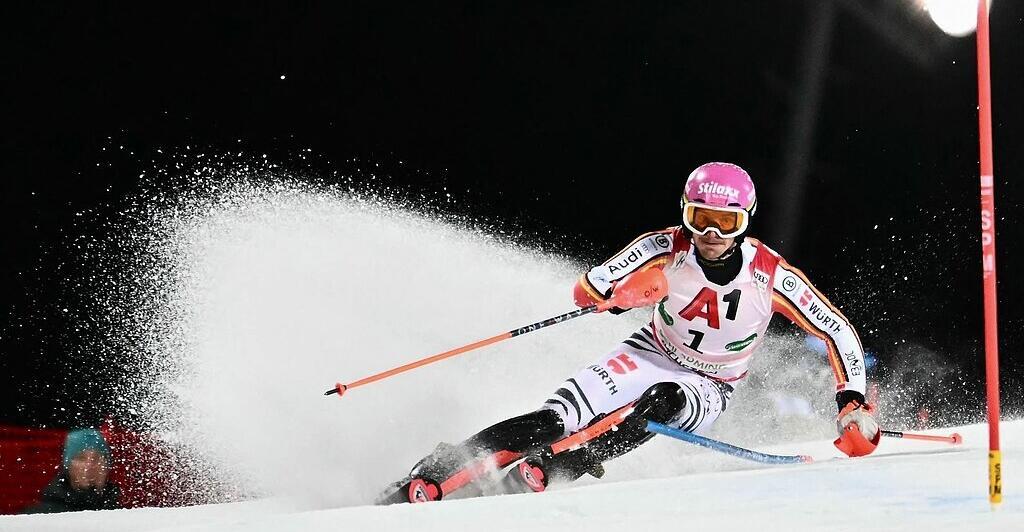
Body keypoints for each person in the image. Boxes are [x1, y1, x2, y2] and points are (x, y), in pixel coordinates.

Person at [379, 162, 879, 504]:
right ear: (686, 212)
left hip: (712, 383)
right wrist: (617, 295)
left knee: (659, 403)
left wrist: (851, 403)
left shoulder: (770, 274)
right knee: (557, 416)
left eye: (724, 223)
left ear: (744, 223)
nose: (710, 234)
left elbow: (836, 329)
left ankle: (568, 463)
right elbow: (592, 284)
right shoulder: (665, 246)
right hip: (650, 349)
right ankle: (437, 470)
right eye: (700, 219)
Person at [22, 428, 121, 513]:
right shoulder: (41, 517)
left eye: (97, 458)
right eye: (81, 458)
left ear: (107, 466)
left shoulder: (122, 516)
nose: (89, 465)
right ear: (68, 466)